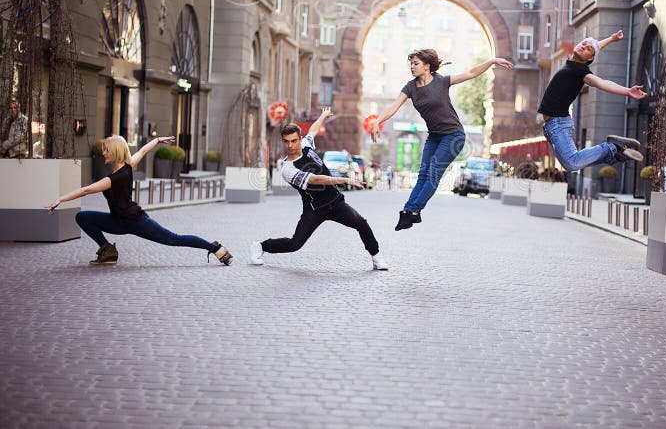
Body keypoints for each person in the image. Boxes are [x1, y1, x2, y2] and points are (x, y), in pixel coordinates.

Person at [371, 50, 514, 230]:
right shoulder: (410, 87)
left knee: (433, 174)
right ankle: (410, 211)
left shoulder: (442, 81)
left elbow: (470, 73)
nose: (412, 67)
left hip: (454, 136)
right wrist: (378, 120)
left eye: (415, 63)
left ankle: (412, 211)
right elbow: (394, 106)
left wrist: (491, 61)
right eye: (411, 64)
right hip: (434, 136)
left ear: (426, 66)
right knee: (423, 175)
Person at [46, 135, 233, 266]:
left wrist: (60, 199)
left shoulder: (114, 178)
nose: (103, 153)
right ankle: (107, 250)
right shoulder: (128, 166)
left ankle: (215, 248)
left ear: (115, 152)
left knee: (173, 240)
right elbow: (143, 151)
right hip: (117, 221)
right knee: (83, 217)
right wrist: (158, 140)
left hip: (136, 222)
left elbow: (86, 190)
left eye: (106, 150)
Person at [249, 107, 388, 271]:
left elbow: (313, 129)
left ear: (300, 139)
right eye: (286, 141)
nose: (290, 145)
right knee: (295, 244)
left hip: (336, 203)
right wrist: (344, 179)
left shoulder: (307, 144)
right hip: (314, 210)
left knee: (361, 223)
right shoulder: (287, 168)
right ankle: (260, 246)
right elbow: (315, 179)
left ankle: (377, 257)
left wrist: (323, 115)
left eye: (294, 140)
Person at [538, 31, 646, 172]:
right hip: (553, 125)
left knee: (572, 163)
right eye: (583, 44)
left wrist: (628, 91)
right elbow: (596, 46)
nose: (584, 47)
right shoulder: (573, 61)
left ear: (589, 59)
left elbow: (603, 83)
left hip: (558, 123)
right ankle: (617, 154)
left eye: (588, 49)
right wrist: (611, 39)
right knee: (572, 163)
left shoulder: (581, 71)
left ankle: (612, 147)